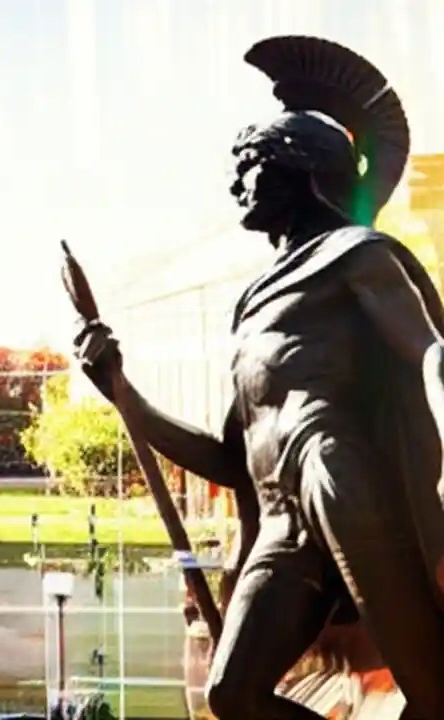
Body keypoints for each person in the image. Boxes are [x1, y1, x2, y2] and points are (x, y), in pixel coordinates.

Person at [75, 35, 444, 718]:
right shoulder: (252, 302)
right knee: (233, 694)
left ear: (301, 172)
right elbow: (228, 457)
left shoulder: (357, 256)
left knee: (433, 691)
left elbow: (428, 351)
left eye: (251, 164)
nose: (235, 181)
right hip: (281, 519)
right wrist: (122, 393)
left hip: (341, 483)